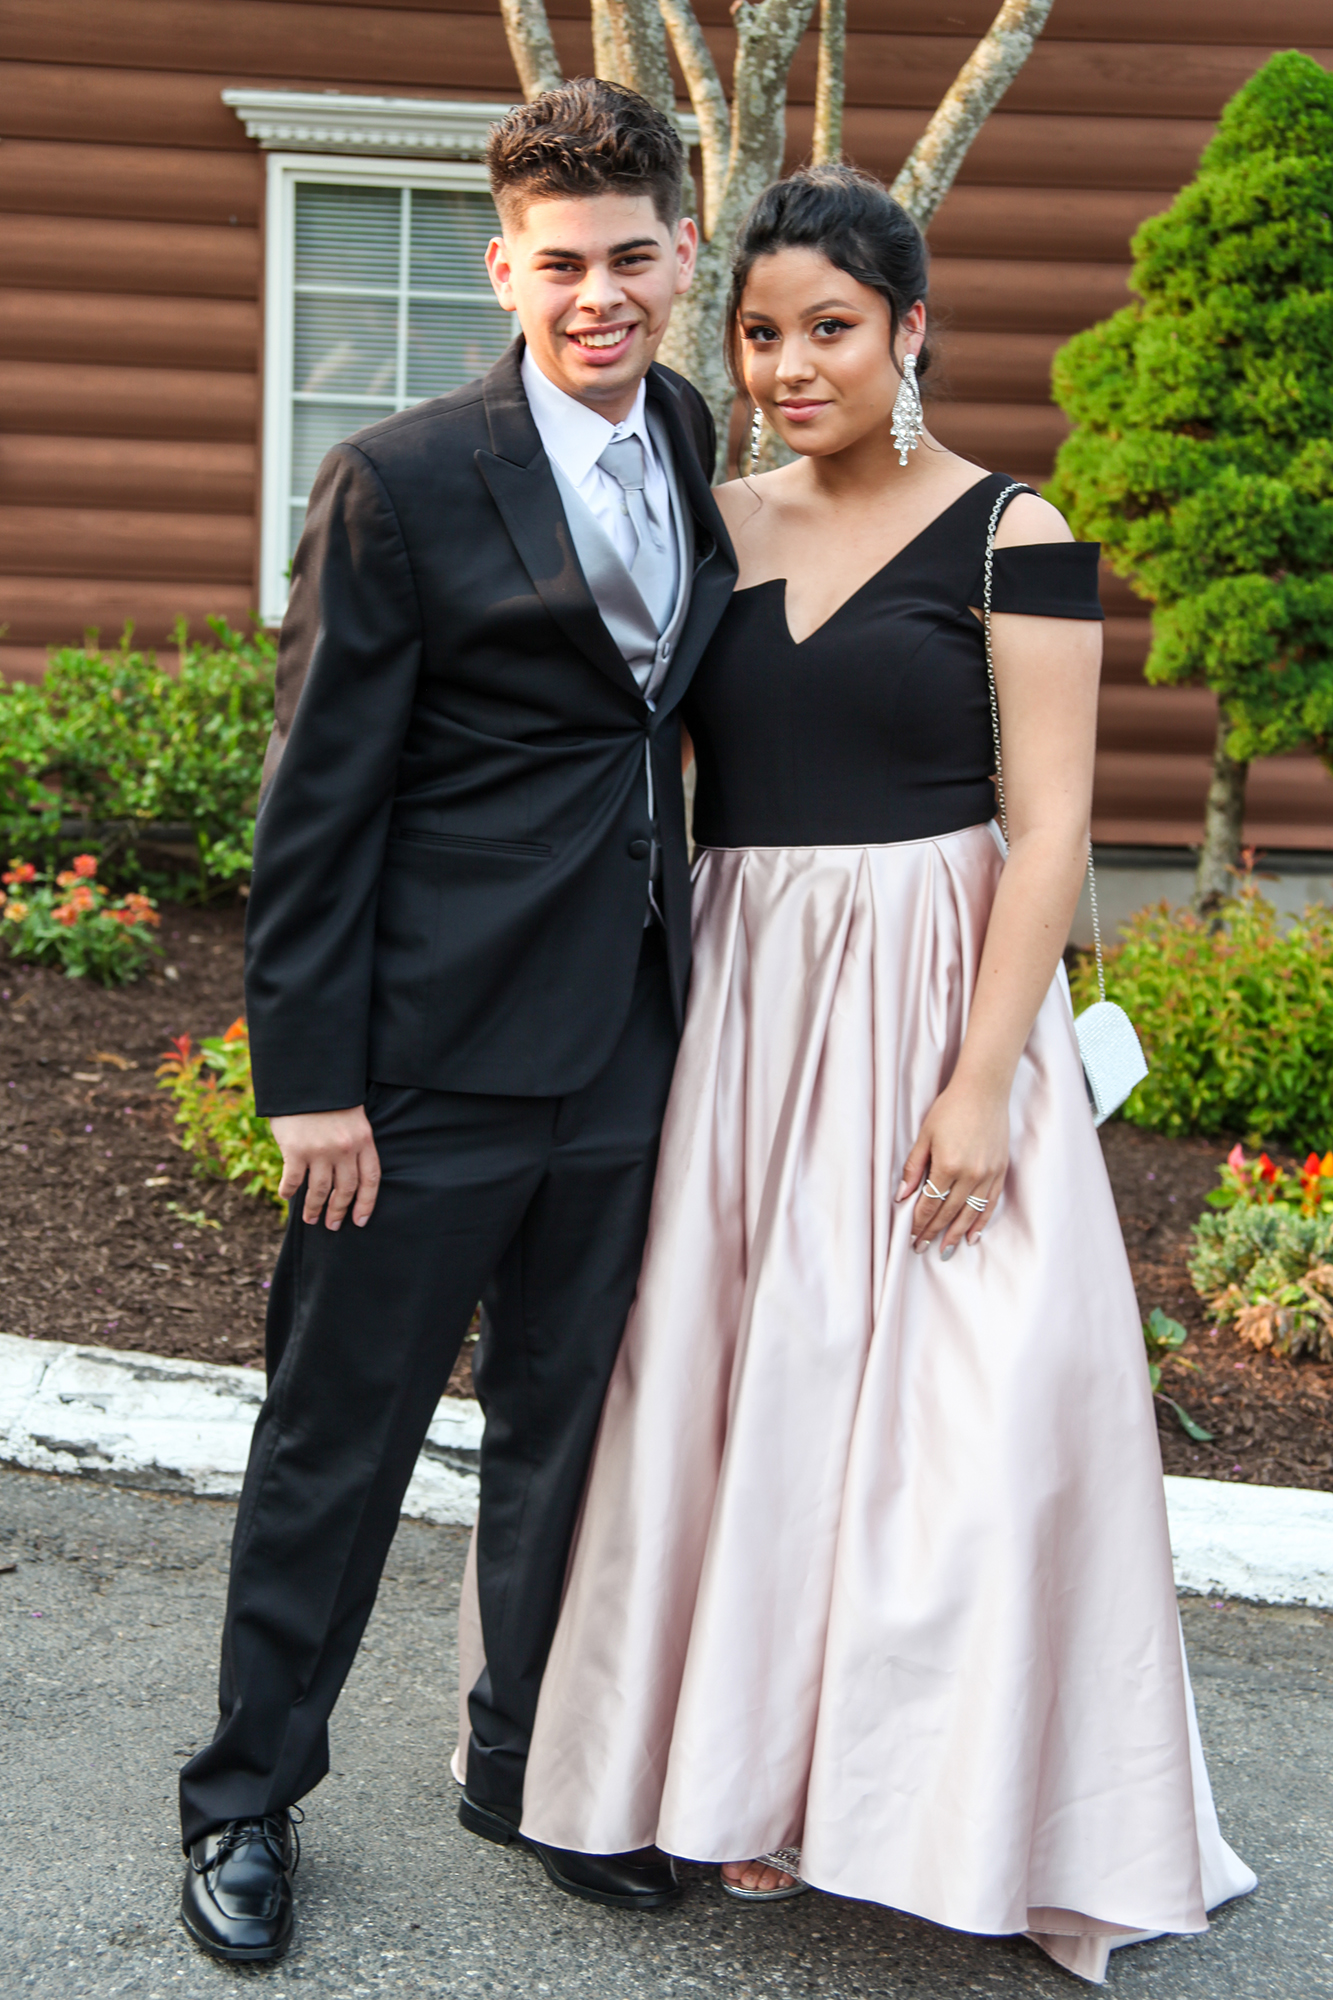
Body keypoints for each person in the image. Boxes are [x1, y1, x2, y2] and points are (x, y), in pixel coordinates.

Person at [516, 166, 1256, 1983]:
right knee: (745, 1394)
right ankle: (754, 1784)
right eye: (759, 333)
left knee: (974, 1416)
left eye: (828, 328)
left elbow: (1060, 821)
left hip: (940, 988)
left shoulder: (1026, 531)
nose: (787, 365)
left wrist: (982, 1083)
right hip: (744, 1003)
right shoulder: (696, 524)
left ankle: (985, 1803)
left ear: (908, 329)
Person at [177, 78, 737, 1964]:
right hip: (416, 1072)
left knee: (568, 1440)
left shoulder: (687, 429)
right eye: (561, 263)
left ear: (679, 251)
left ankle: (526, 1766)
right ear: (503, 263)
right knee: (338, 1439)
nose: (600, 295)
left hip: (626, 1052)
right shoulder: (398, 482)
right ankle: (246, 1795)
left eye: (632, 258)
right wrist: (311, 1087)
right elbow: (313, 811)